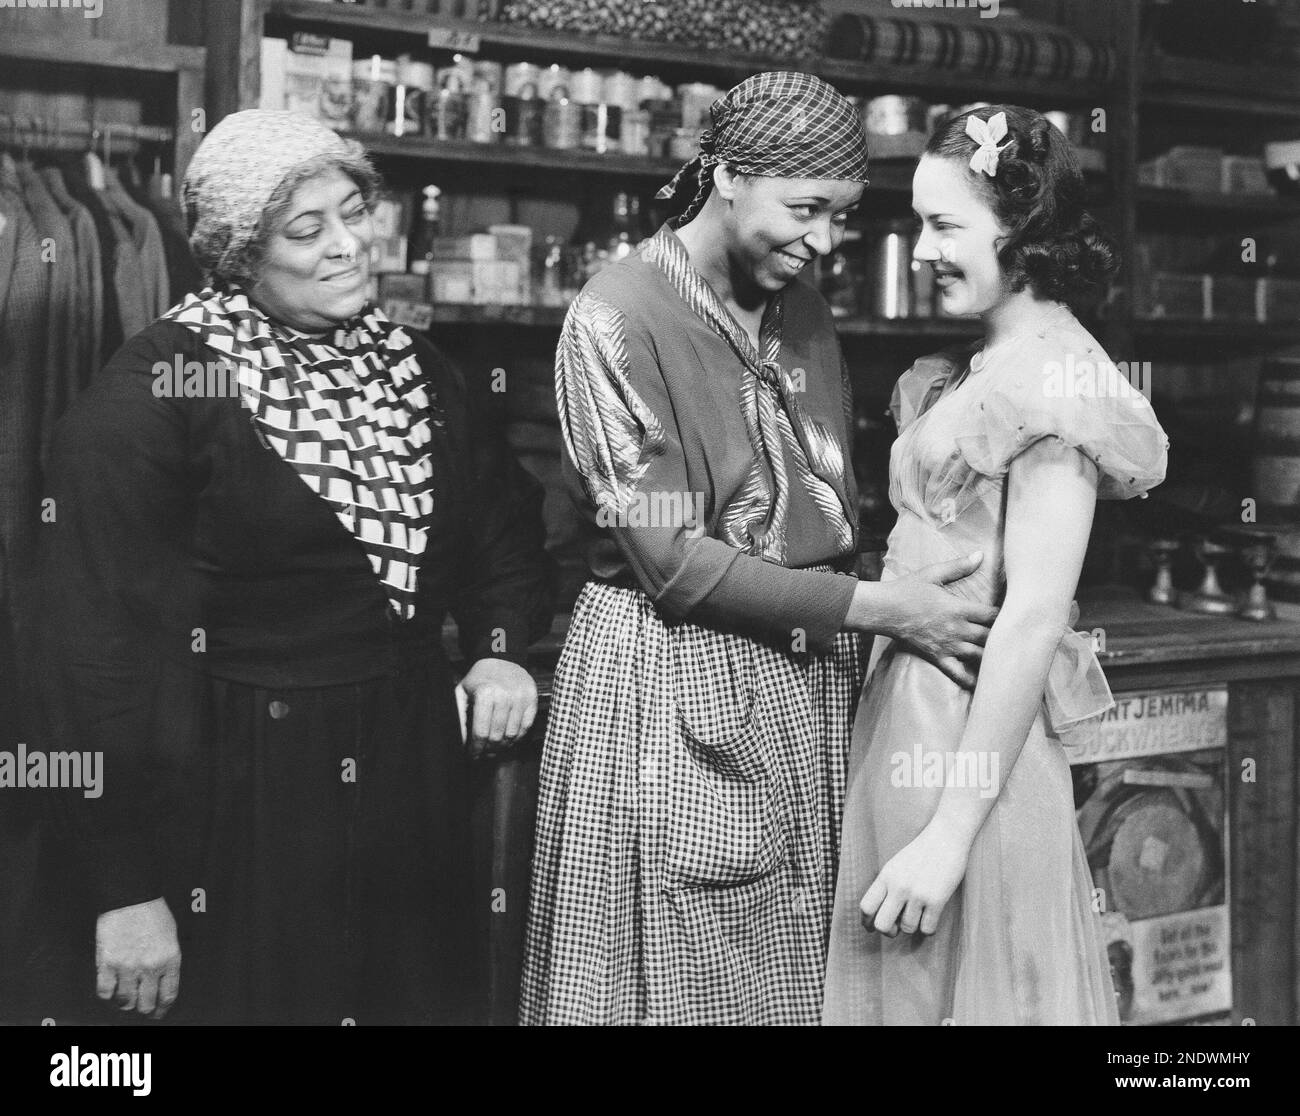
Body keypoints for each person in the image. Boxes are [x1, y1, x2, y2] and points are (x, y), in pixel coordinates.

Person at [30, 110, 554, 1025]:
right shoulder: (158, 392)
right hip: (239, 792)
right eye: (306, 231)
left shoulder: (417, 371)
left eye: (355, 212)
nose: (349, 246)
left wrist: (501, 648)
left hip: (408, 778)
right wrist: (122, 884)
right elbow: (87, 649)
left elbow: (504, 533)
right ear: (237, 255)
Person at [520, 72, 998, 1027]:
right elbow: (675, 565)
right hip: (661, 689)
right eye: (805, 208)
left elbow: (826, 512)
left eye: (841, 216)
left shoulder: (805, 311)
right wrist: (885, 610)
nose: (822, 240)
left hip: (803, 681)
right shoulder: (615, 318)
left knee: (785, 992)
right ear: (729, 175)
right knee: (667, 991)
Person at [822, 105, 1169, 1025]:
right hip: (910, 719)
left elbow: (1032, 615)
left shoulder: (1058, 380)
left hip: (971, 754)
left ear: (1020, 229)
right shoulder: (981, 364)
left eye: (944, 225)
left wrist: (950, 832)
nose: (922, 248)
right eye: (918, 223)